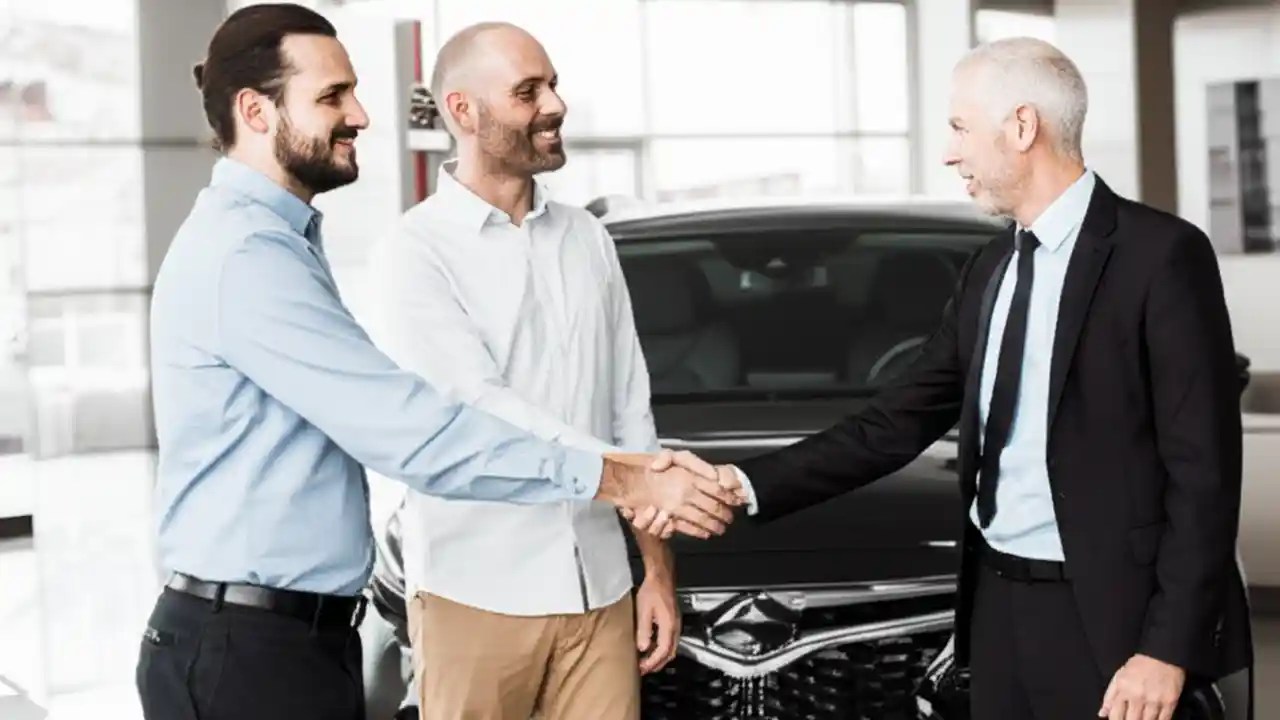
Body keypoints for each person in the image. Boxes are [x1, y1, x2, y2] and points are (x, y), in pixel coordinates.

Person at [137, 6, 739, 720]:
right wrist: (624, 477)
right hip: (253, 648)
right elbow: (413, 431)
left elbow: (624, 403)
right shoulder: (249, 256)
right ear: (255, 111)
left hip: (289, 639)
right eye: (332, 96)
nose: (360, 115)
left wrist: (648, 546)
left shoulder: (279, 240)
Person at [644, 36, 1253, 720]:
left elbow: (1204, 474)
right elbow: (893, 423)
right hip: (995, 611)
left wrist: (1165, 650)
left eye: (961, 128)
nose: (949, 153)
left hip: (1109, 618)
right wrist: (740, 483)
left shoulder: (1160, 256)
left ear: (1021, 127)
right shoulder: (991, 268)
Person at [360, 22, 706, 720]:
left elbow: (630, 409)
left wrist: (656, 573)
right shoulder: (414, 251)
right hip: (475, 594)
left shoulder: (587, 237)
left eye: (552, 85)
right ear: (463, 111)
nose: (554, 105)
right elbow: (479, 409)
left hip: (599, 588)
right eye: (527, 92)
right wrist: (641, 477)